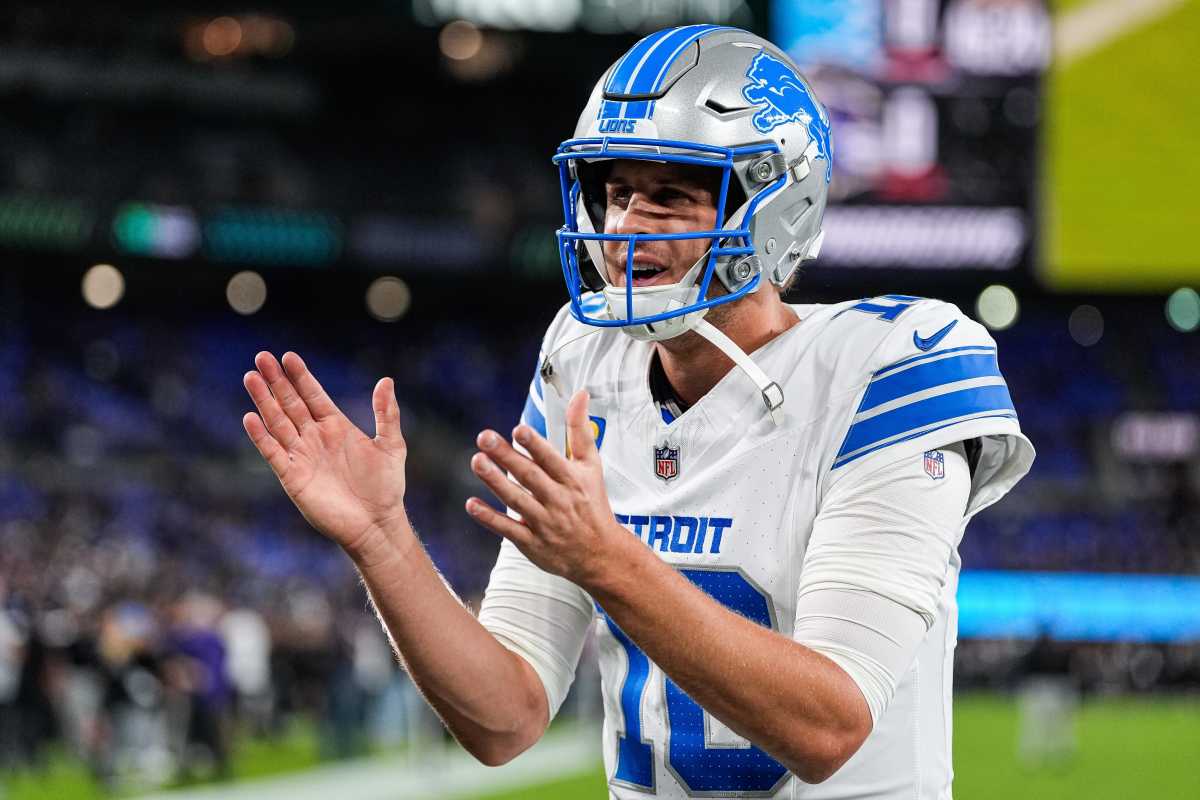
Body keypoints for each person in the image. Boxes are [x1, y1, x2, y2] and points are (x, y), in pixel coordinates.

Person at [241, 25, 1034, 798]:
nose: (624, 227)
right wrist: (383, 540)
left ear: (775, 205)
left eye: (671, 196)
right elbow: (505, 717)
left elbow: (829, 726)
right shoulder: (584, 361)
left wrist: (608, 562)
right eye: (616, 193)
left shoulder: (891, 368)